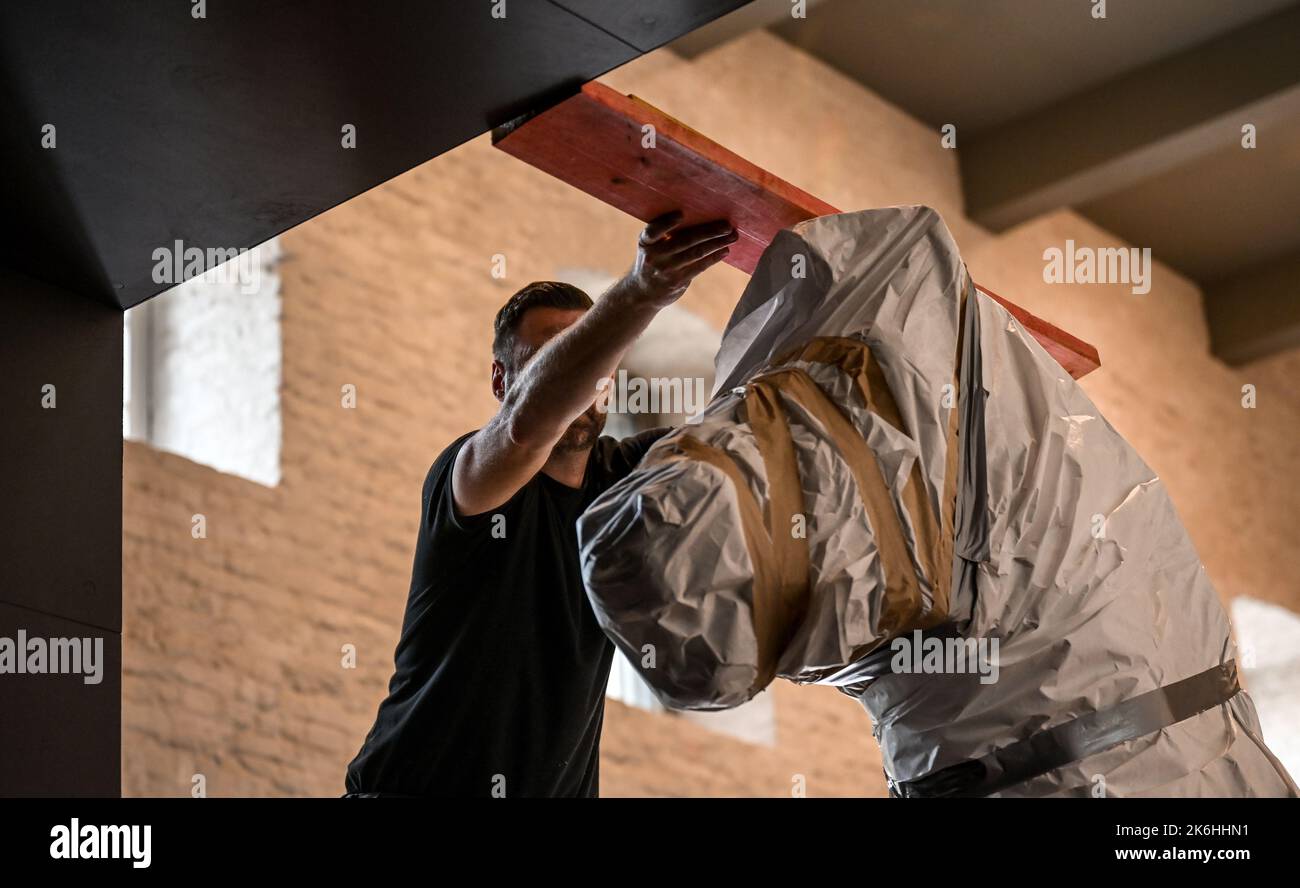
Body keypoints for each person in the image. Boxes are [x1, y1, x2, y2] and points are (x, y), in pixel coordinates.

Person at [345, 212, 736, 797]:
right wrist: (642, 291)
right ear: (504, 380)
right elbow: (528, 429)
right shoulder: (472, 475)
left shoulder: (623, 473)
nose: (588, 381)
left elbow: (750, 426)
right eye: (553, 358)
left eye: (597, 366)